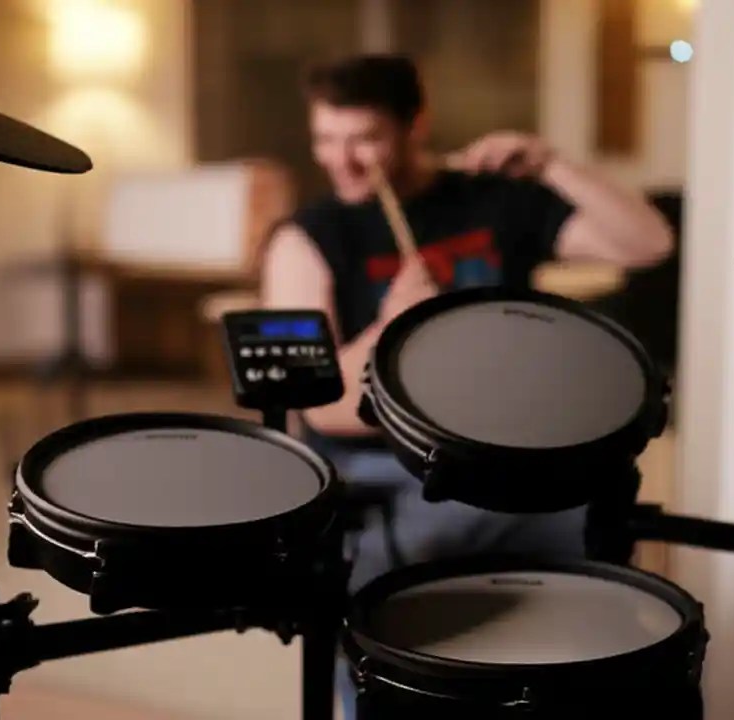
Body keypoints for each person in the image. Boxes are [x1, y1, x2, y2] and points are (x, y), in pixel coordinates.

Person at [258, 54, 674, 716]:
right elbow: (324, 411)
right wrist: (390, 329)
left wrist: (549, 164)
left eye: (365, 139)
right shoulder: (307, 239)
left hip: (520, 461)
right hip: (390, 473)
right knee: (414, 664)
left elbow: (647, 242)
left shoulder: (490, 200)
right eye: (326, 140)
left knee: (581, 636)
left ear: (416, 125)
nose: (343, 161)